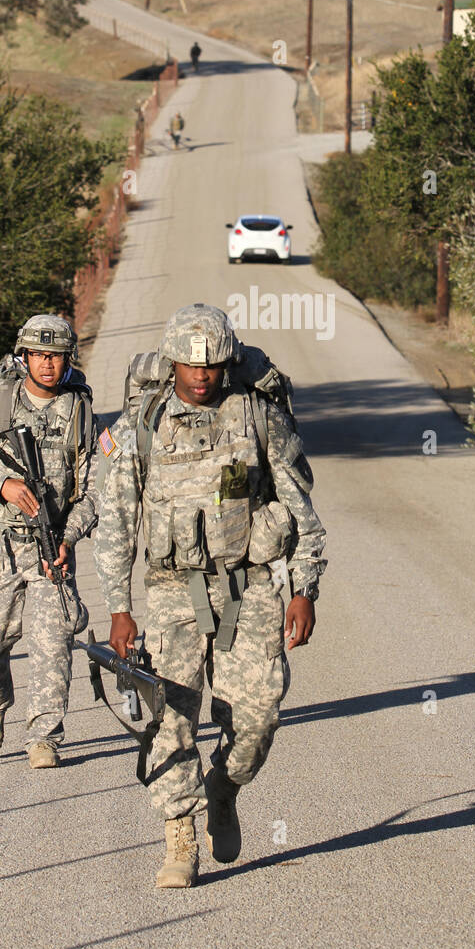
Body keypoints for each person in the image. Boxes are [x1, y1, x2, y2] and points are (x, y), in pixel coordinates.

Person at [93, 303, 326, 887]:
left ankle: (224, 786)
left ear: (227, 362)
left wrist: (305, 588)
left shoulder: (258, 416)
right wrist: (119, 609)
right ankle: (179, 834)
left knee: (258, 718)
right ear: (171, 363)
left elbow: (301, 509)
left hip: (249, 586)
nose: (202, 376)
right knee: (170, 717)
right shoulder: (140, 423)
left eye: (213, 365)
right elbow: (118, 522)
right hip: (172, 590)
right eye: (190, 366)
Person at [0, 315, 98, 768]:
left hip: (53, 544)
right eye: (40, 355)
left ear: (69, 359)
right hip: (0, 542)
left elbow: (93, 492)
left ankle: (44, 737)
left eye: (56, 356)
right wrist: (0, 485)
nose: (48, 365)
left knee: (53, 642)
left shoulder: (81, 414)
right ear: (24, 356)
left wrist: (68, 536)